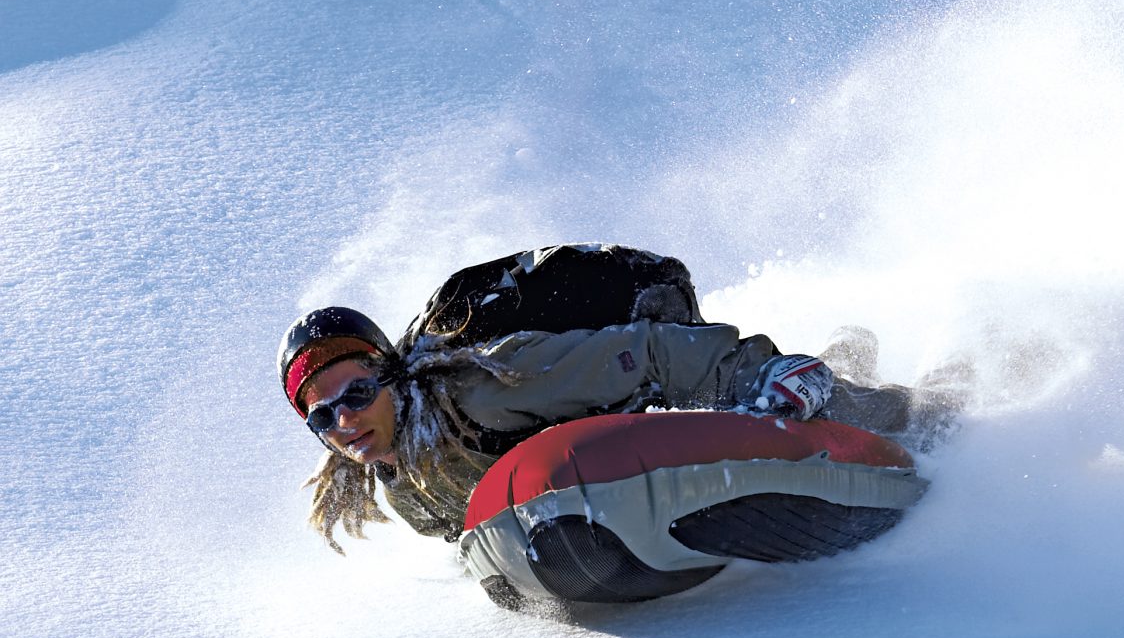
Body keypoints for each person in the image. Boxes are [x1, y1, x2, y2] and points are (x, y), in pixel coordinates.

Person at [277, 242, 923, 552]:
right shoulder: (400, 482)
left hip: (641, 321)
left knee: (867, 415)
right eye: (322, 417)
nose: (344, 422)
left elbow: (650, 354)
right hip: (601, 417)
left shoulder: (481, 389)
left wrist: (766, 376)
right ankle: (847, 351)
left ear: (389, 376)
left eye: (356, 393)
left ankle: (936, 395)